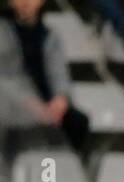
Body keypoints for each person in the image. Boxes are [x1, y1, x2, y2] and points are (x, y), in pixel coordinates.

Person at [1, 0, 90, 150]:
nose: (25, 2)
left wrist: (60, 99)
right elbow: (6, 78)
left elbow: (59, 72)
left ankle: (63, 167)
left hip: (46, 104)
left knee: (77, 121)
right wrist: (30, 104)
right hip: (13, 106)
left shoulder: (50, 35)